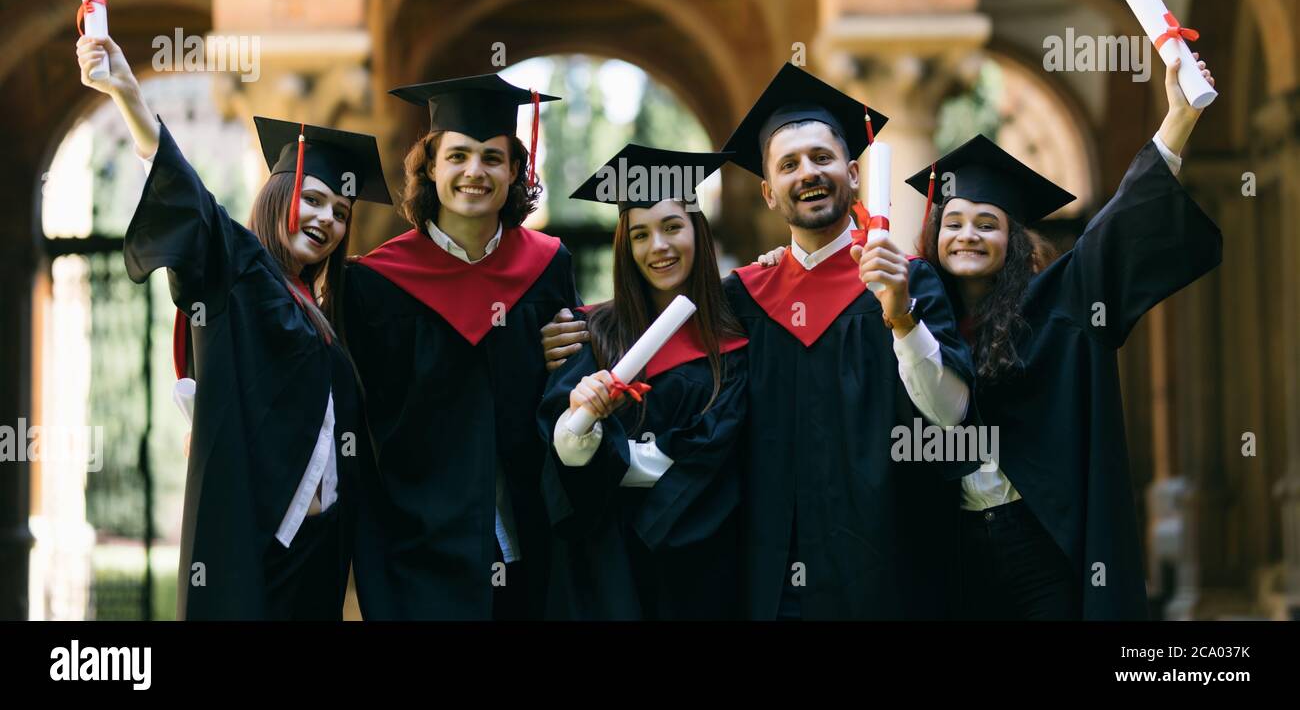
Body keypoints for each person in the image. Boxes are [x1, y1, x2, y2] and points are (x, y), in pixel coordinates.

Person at [542, 63, 977, 619]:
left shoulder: (909, 281)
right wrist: (568, 336)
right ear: (769, 193)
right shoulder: (744, 297)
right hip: (767, 576)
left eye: (822, 158)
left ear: (853, 172)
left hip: (886, 563)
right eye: (789, 165)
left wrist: (901, 318)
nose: (808, 174)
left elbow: (953, 415)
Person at [76, 34, 390, 619]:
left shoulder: (320, 312)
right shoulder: (240, 269)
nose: (326, 219)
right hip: (251, 546)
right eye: (313, 199)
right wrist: (127, 94)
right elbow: (190, 199)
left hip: (317, 559)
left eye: (341, 213)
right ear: (277, 194)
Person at [902, 54, 1222, 620]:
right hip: (946, 546)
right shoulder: (912, 317)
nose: (967, 235)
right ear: (935, 233)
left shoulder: (1054, 303)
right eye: (953, 222)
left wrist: (1179, 116)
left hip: (1038, 542)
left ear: (1013, 239)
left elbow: (1117, 227)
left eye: (986, 223)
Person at [344, 73, 580, 619]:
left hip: (528, 537)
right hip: (418, 547)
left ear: (516, 170)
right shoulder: (377, 283)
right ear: (430, 166)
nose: (475, 172)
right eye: (459, 156)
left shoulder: (547, 267)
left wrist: (556, 363)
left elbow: (563, 395)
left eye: (493, 158)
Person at [539, 144, 748, 619]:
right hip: (602, 563)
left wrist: (603, 453)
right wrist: (581, 421)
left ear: (698, 230)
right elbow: (559, 446)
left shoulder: (734, 344)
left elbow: (717, 453)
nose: (658, 246)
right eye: (640, 234)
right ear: (625, 246)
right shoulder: (591, 333)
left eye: (673, 226)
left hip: (697, 569)